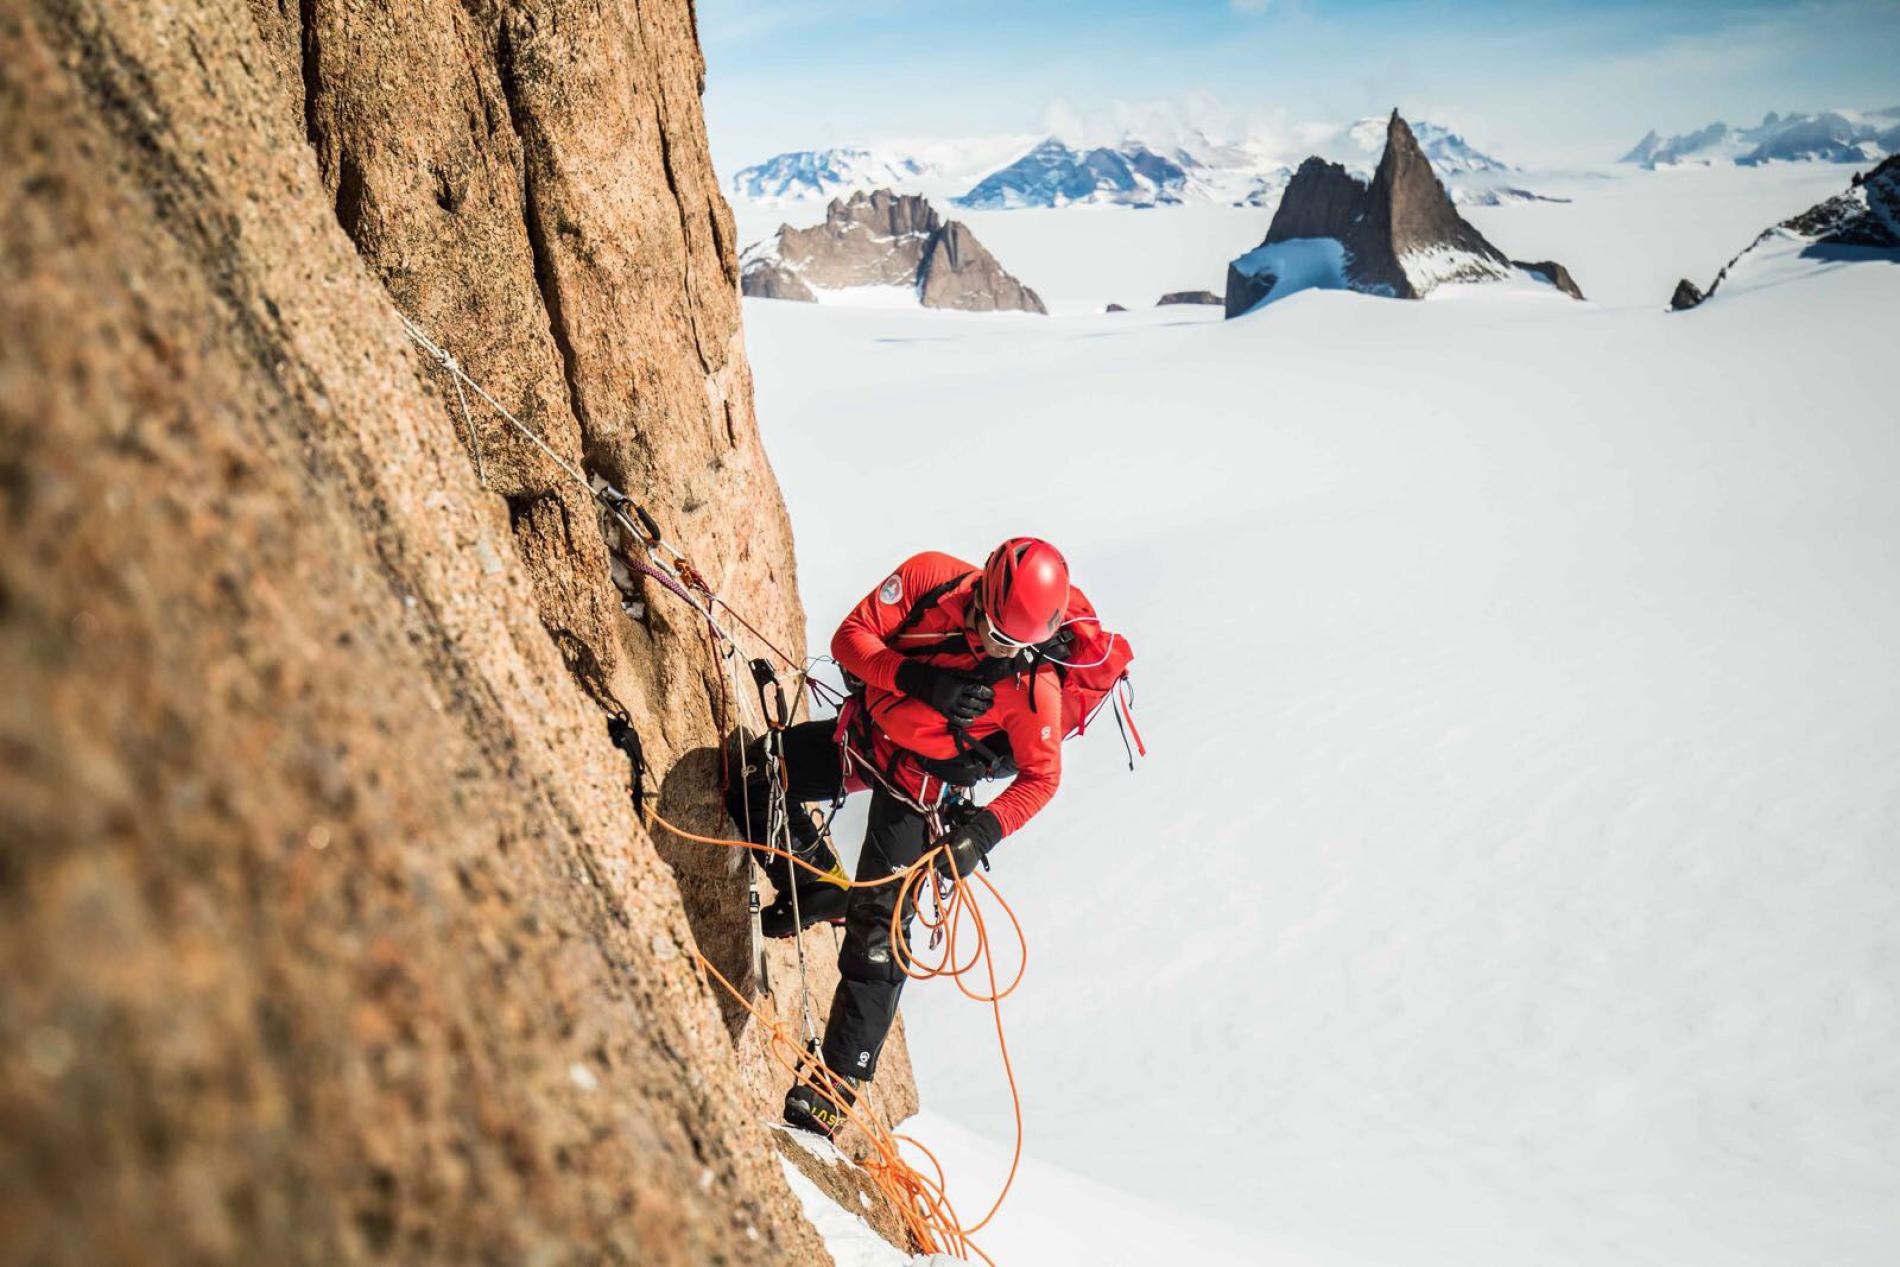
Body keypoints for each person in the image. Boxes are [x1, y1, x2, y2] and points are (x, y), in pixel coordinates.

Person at [726, 537, 1102, 1138]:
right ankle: (812, 883)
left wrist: (979, 836)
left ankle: (835, 1087)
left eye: (1014, 645)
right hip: (871, 738)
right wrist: (917, 679)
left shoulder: (1035, 690)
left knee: (880, 932)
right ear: (982, 592)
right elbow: (849, 639)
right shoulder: (931, 579)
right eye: (995, 634)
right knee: (755, 775)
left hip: (920, 787)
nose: (996, 651)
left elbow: (1042, 777)